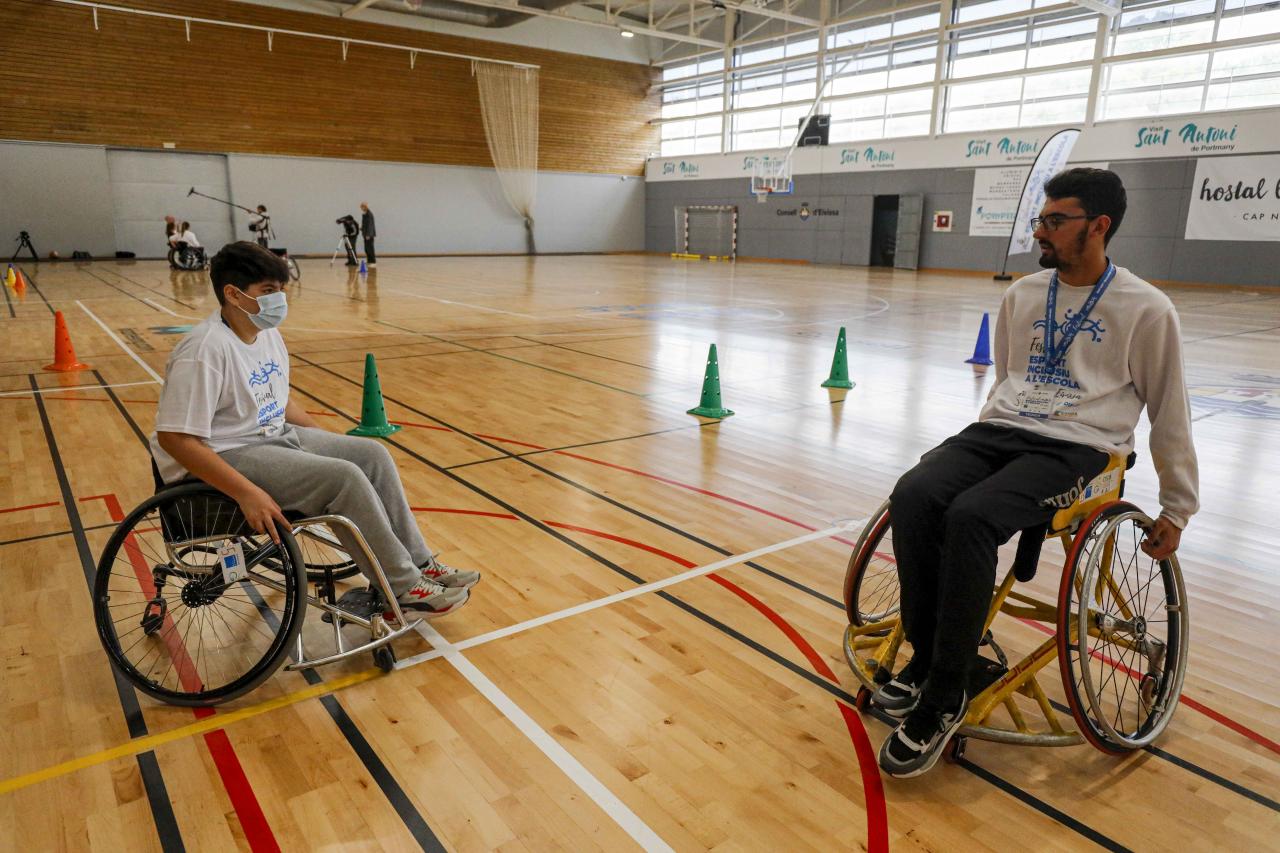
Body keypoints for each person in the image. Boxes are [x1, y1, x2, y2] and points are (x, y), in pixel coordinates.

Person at [874, 168, 1199, 778]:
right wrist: (974, 453)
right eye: (1040, 220)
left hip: (1081, 448)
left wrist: (1177, 508)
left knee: (973, 517)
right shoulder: (1023, 294)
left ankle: (946, 694)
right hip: (1000, 431)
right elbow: (1007, 380)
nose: (1041, 232)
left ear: (1099, 226)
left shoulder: (1147, 308)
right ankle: (931, 661)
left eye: (1056, 221)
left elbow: (1170, 411)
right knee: (914, 495)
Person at [149, 241, 479, 616]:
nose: (279, 300)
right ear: (232, 293)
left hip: (271, 437)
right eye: (268, 291)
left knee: (370, 454)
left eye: (281, 290)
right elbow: (174, 439)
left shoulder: (266, 334)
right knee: (342, 478)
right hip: (224, 454)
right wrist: (246, 493)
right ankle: (402, 586)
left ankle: (420, 563)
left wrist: (325, 442)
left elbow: (280, 402)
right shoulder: (204, 350)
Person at [360, 202, 377, 268]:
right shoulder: (365, 214)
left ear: (365, 207)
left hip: (369, 235)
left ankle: (373, 262)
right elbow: (366, 224)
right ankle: (369, 261)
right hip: (365, 234)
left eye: (362, 207)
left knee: (370, 248)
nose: (361, 209)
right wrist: (362, 228)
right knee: (366, 249)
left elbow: (370, 225)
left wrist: (368, 234)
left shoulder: (369, 214)